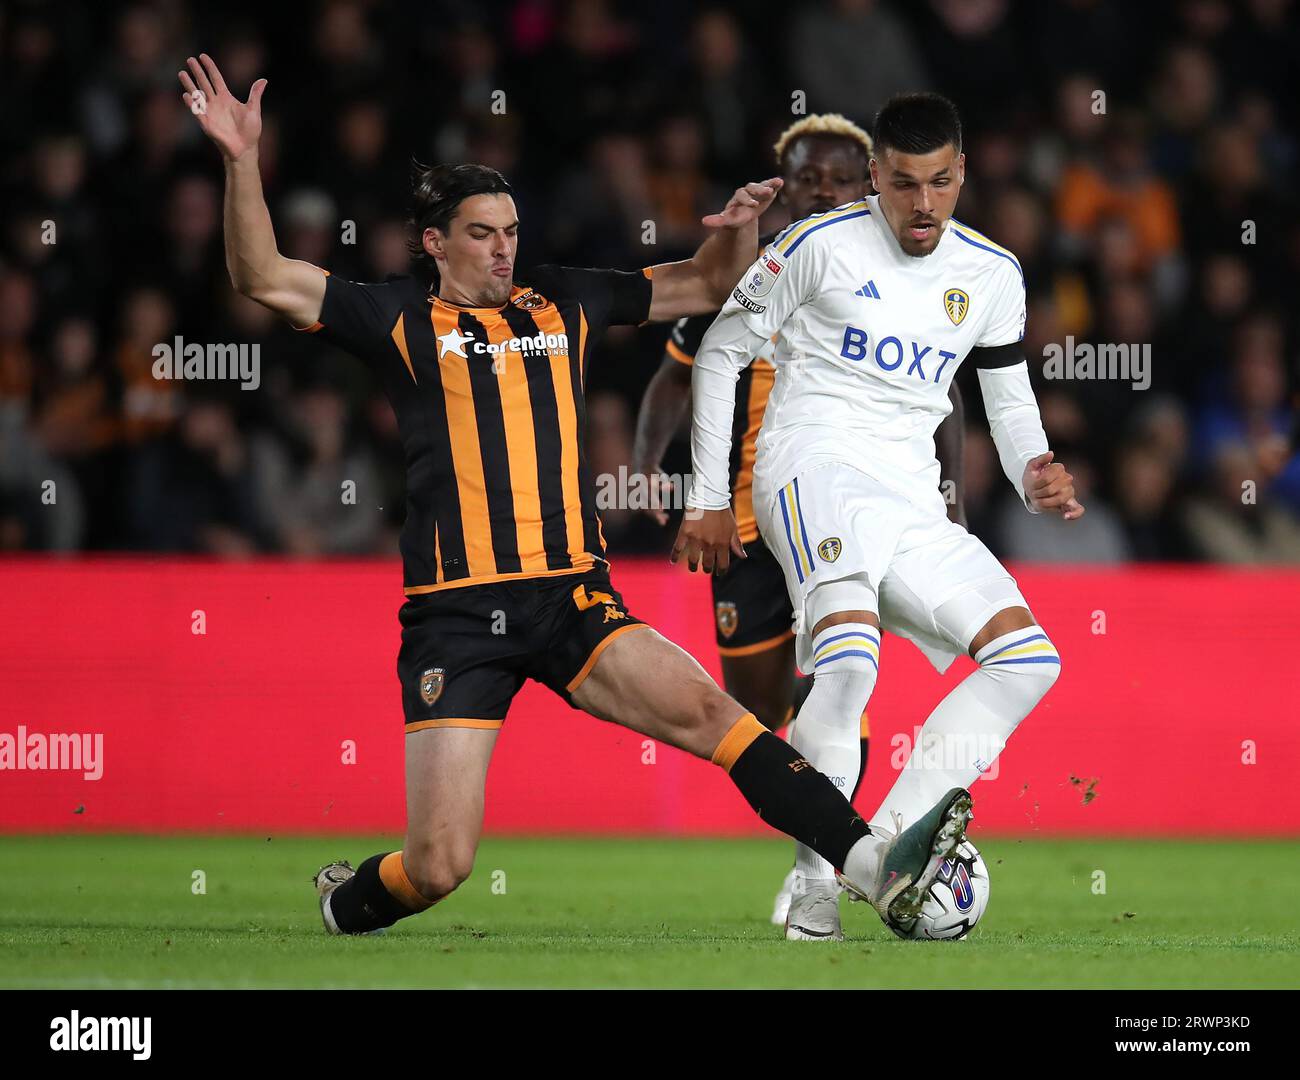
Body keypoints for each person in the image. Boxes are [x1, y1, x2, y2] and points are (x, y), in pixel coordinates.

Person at [178, 55, 972, 936]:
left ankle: (876, 871)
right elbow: (261, 276)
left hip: (570, 600)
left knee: (721, 715)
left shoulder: (559, 303)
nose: (503, 247)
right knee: (438, 867)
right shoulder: (396, 318)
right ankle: (346, 901)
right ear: (436, 243)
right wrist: (241, 162)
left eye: (510, 229)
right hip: (456, 612)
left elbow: (703, 284)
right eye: (481, 233)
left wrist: (740, 231)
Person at [675, 92, 1079, 941]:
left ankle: (887, 848)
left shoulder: (992, 274)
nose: (923, 204)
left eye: (939, 183)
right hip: (810, 465)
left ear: (962, 173)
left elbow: (1008, 406)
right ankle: (818, 882)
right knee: (851, 667)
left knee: (1028, 660)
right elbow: (719, 353)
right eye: (903, 185)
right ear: (875, 179)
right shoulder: (814, 247)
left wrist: (1034, 469)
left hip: (909, 492)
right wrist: (708, 498)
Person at [632, 112, 968, 935]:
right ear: (785, 184)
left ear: (868, 185)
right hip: (746, 530)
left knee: (840, 679)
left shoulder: (896, 279)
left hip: (841, 519)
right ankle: (819, 821)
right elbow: (675, 380)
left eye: (842, 178)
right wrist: (647, 465)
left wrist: (949, 490)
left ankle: (815, 871)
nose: (825, 190)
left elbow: (944, 393)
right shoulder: (745, 278)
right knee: (755, 718)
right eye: (810, 177)